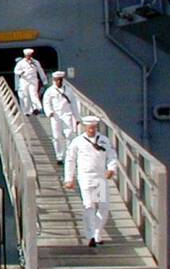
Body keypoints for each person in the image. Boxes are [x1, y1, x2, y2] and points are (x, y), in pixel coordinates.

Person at [64, 115, 118, 247]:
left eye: (94, 127)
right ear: (85, 127)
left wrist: (111, 169)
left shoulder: (104, 140)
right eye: (89, 127)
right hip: (86, 177)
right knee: (89, 206)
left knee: (104, 206)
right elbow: (70, 160)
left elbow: (111, 156)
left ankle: (97, 232)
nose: (92, 130)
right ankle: (91, 236)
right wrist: (69, 179)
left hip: (100, 177)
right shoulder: (77, 142)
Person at [42, 70, 79, 163]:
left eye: (60, 80)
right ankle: (59, 156)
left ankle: (69, 156)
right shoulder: (50, 91)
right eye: (57, 80)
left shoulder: (69, 90)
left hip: (67, 114)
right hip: (56, 115)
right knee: (57, 136)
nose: (59, 82)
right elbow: (46, 102)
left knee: (69, 134)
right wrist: (49, 112)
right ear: (54, 80)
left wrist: (77, 117)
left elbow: (73, 103)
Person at [13, 48, 48, 115]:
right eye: (27, 55)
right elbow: (16, 70)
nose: (29, 56)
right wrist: (21, 72)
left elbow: (40, 71)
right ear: (25, 55)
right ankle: (27, 111)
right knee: (25, 95)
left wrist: (44, 80)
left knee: (33, 94)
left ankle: (37, 108)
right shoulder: (21, 63)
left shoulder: (35, 62)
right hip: (24, 80)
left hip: (33, 80)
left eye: (30, 55)